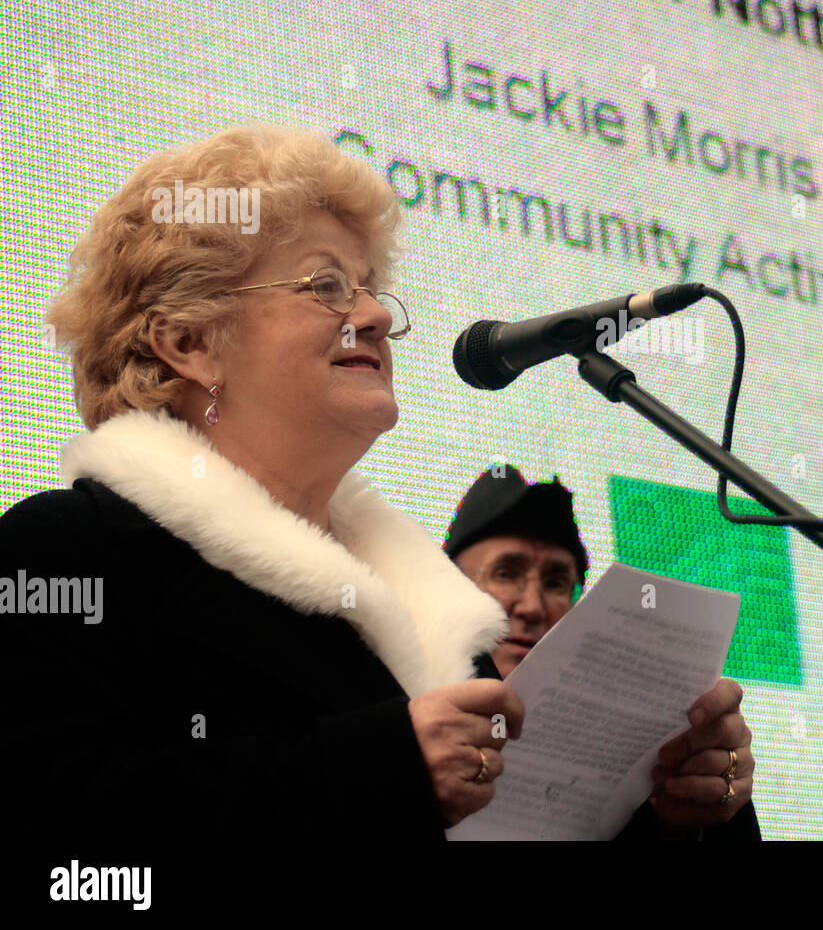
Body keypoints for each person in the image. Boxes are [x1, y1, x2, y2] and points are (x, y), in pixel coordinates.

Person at [0, 124, 754, 867]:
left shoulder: (443, 625)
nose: (376, 315)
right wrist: (377, 771)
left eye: (368, 287)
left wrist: (676, 809)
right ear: (190, 342)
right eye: (326, 285)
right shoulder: (67, 551)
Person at [444, 464, 760, 839]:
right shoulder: (393, 706)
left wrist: (708, 803)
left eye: (557, 582)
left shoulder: (644, 755)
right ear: (449, 585)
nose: (532, 605)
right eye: (505, 573)